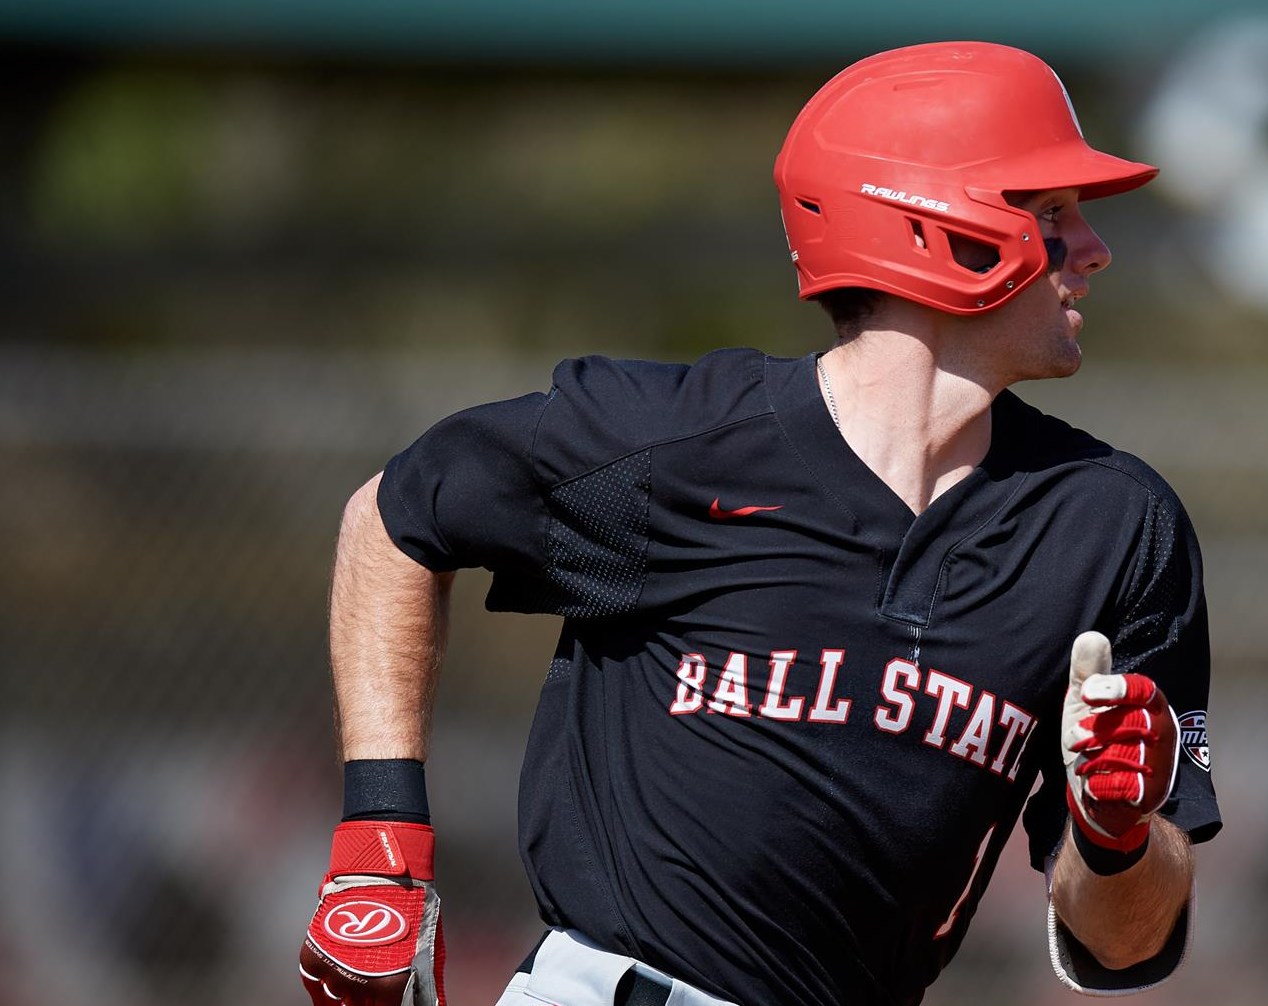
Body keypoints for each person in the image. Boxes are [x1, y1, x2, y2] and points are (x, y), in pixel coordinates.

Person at [299, 40, 1220, 1006]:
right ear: (935, 226)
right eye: (1050, 214)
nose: (1094, 250)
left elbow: (1125, 946)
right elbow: (395, 518)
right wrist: (381, 848)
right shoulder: (679, 440)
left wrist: (1117, 837)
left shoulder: (1114, 527)